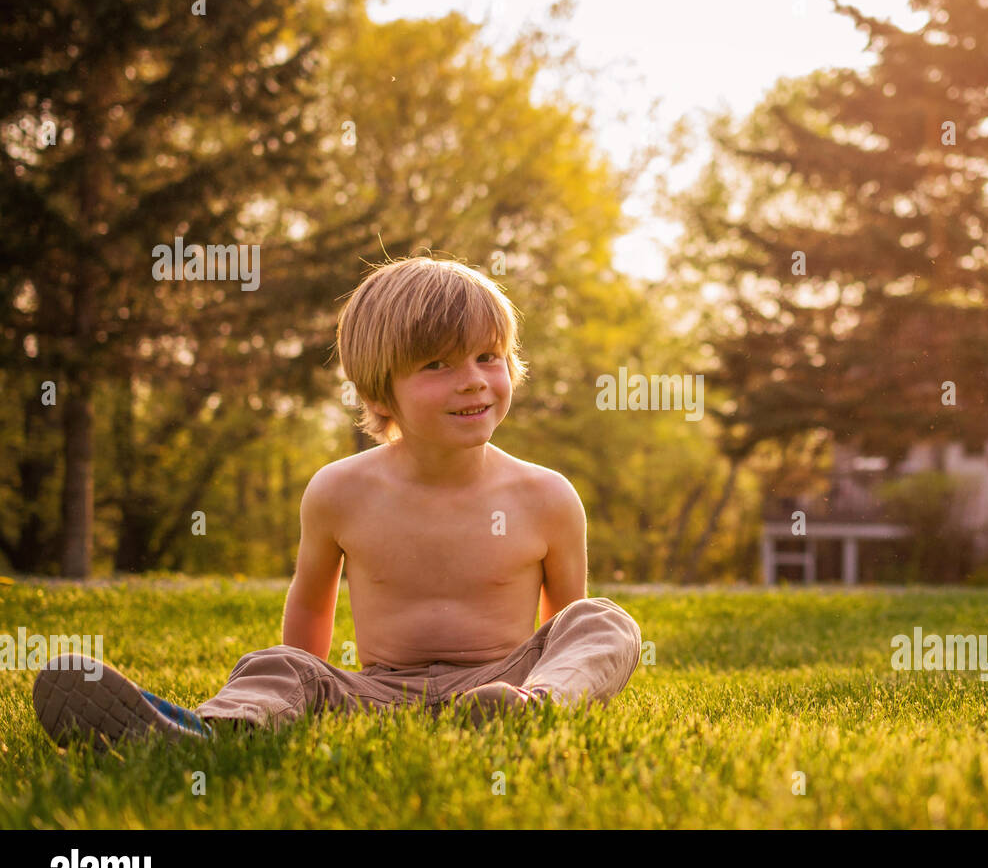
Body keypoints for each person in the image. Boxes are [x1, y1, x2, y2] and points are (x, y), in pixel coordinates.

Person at [33, 257, 642, 750]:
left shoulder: (547, 496)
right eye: (438, 363)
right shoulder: (340, 491)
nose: (474, 379)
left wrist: (548, 683)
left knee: (604, 621)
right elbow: (308, 614)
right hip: (375, 694)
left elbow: (567, 632)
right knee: (276, 665)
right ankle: (205, 734)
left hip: (503, 685)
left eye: (489, 356)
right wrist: (301, 688)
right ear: (381, 391)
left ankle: (535, 714)